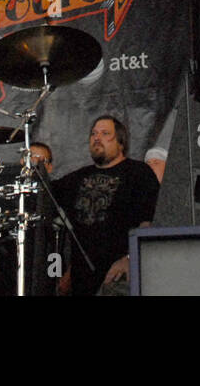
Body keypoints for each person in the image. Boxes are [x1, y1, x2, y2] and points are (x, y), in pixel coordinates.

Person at [53, 115, 160, 296]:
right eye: (93, 134)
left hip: (119, 278)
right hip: (82, 280)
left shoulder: (138, 173)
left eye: (105, 133)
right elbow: (47, 194)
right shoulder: (77, 178)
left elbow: (150, 220)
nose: (97, 137)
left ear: (120, 142)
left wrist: (130, 258)